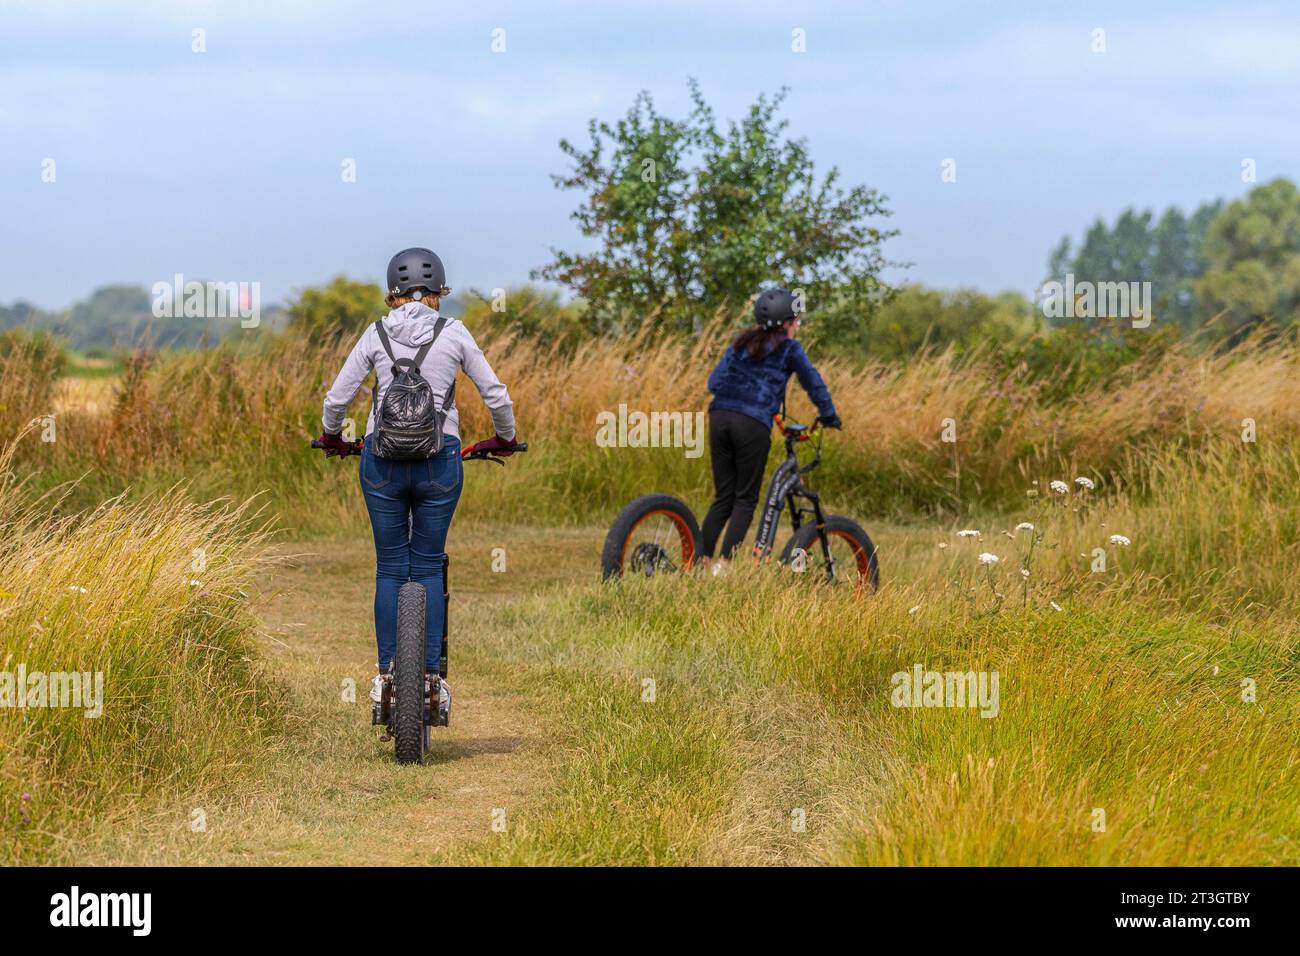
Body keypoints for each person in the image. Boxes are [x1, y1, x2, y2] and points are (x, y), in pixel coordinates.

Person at [317, 247, 517, 709]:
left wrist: (332, 437)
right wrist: (503, 438)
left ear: (393, 294)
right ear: (438, 293)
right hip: (439, 462)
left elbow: (336, 399)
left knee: (390, 566)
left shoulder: (374, 334)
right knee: (427, 564)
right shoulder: (455, 333)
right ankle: (430, 682)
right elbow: (497, 396)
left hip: (381, 464)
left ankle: (386, 678)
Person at [701, 288, 840, 568]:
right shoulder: (789, 348)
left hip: (719, 416)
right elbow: (812, 382)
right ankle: (723, 567)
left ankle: (698, 562)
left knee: (723, 497)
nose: (797, 326)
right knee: (745, 499)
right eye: (796, 321)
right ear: (787, 323)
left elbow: (713, 384)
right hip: (751, 423)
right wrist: (829, 414)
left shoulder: (740, 343)